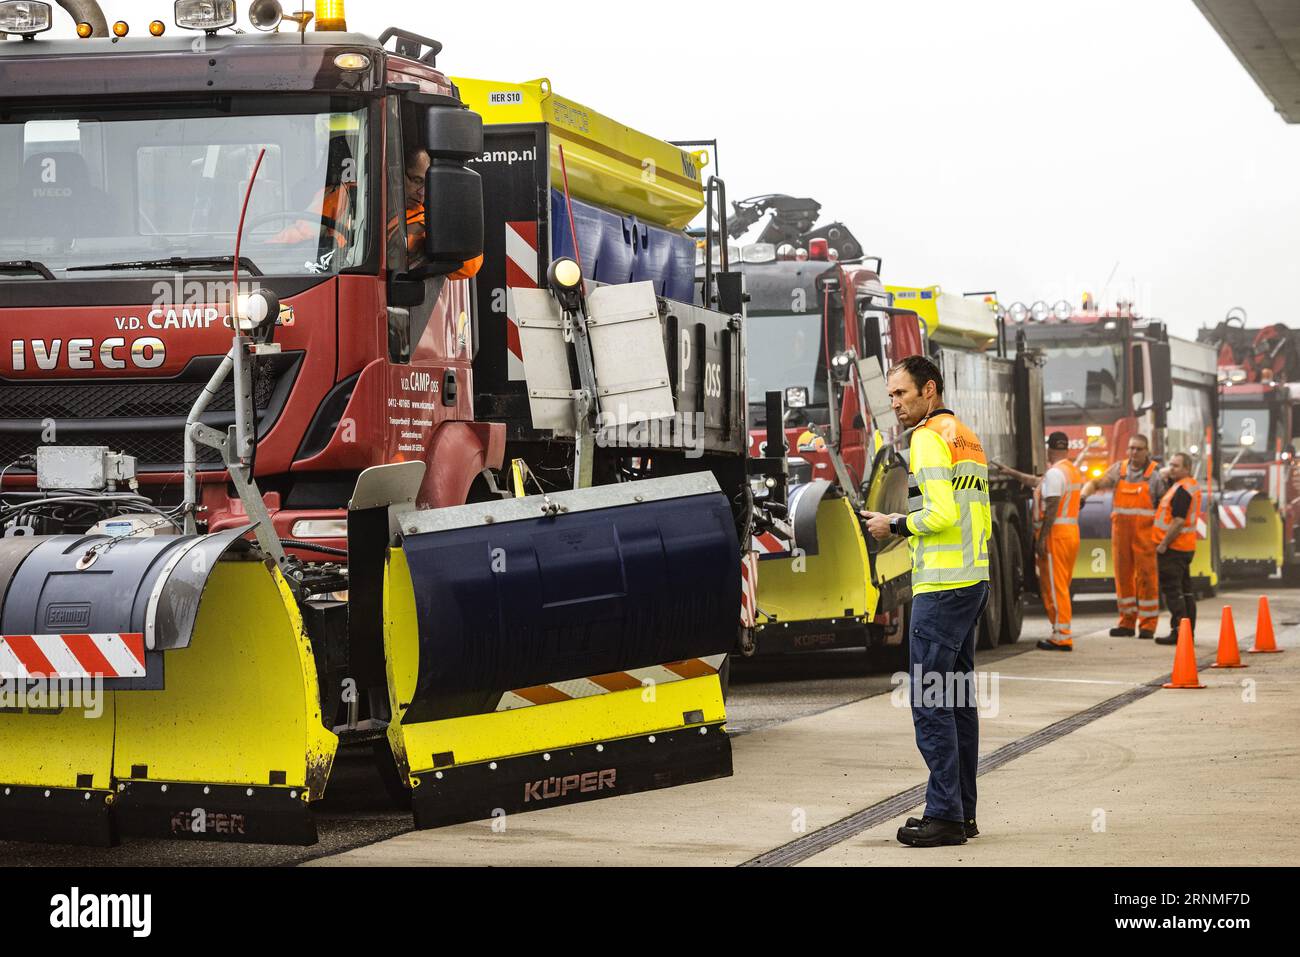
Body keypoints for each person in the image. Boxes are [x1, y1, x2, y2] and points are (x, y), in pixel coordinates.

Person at [862, 355, 991, 848]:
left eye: (902, 394)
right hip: (972, 581)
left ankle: (943, 816)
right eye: (892, 395)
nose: (895, 403)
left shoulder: (926, 439)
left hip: (941, 588)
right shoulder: (964, 436)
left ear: (929, 391)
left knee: (931, 700)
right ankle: (961, 813)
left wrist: (891, 523)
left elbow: (937, 514)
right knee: (957, 701)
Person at [996, 432, 1082, 651]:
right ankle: (1059, 631)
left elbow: (1051, 505)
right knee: (1060, 584)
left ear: (1049, 449)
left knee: (1055, 587)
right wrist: (1011, 473)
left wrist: (1042, 538)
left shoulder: (1055, 473)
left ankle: (1062, 635)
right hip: (1070, 533)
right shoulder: (1069, 471)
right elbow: (1038, 483)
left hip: (1055, 536)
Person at [1080, 435, 1163, 640]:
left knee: (1147, 579)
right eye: (1131, 448)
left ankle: (1148, 625)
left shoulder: (1155, 475)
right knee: (1123, 578)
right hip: (1121, 536)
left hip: (1145, 537)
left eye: (1138, 449)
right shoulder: (1120, 470)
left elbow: (1164, 505)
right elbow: (1096, 482)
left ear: (1147, 450)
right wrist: (1083, 495)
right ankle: (1126, 623)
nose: (1134, 453)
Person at [1152, 452, 1201, 645]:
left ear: (1187, 469)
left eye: (1176, 466)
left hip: (1174, 548)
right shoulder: (1186, 485)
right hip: (1184, 547)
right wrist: (1168, 472)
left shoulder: (1181, 490)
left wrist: (1163, 543)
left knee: (1173, 591)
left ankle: (1179, 630)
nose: (1171, 468)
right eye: (1170, 464)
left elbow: (1179, 521)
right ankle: (1187, 631)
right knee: (1186, 591)